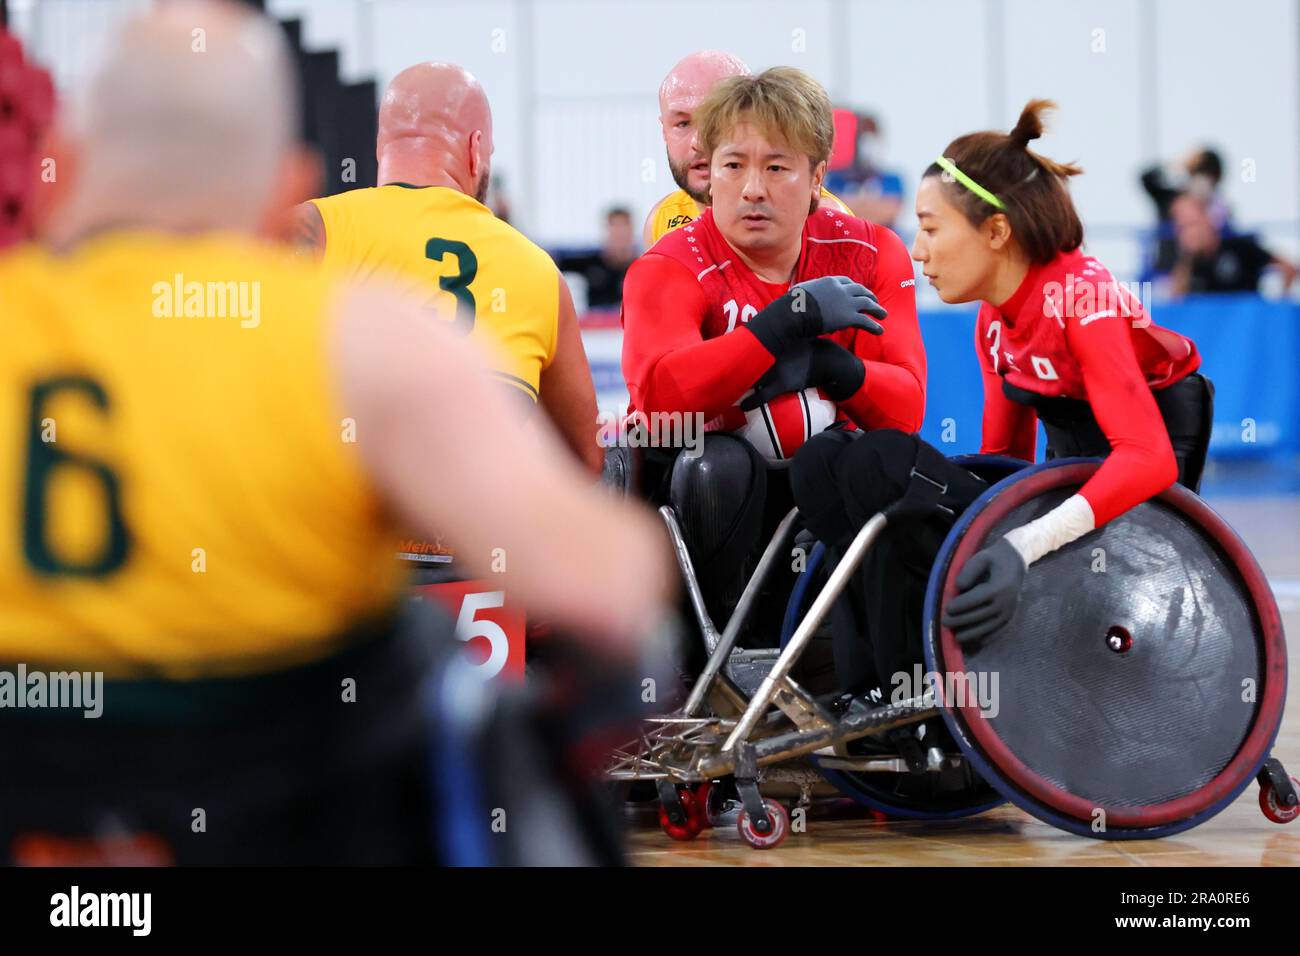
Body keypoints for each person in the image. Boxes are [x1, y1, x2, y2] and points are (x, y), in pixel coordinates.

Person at [2, 0, 673, 865]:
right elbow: (610, 584)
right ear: (287, 189)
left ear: (53, 169)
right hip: (275, 813)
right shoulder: (359, 334)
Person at [792, 100, 1211, 699]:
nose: (916, 251)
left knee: (882, 460)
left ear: (995, 230)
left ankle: (923, 693)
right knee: (827, 461)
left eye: (931, 228)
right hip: (1060, 512)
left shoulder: (1082, 298)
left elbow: (1150, 461)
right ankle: (881, 689)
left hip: (1130, 535)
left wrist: (1024, 543)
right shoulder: (994, 320)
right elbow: (1003, 470)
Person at [621, 66, 924, 638]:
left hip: (814, 478)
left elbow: (906, 412)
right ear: (709, 174)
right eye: (733, 166)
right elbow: (662, 403)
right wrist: (784, 324)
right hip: (699, 486)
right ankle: (710, 660)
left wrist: (831, 367)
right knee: (717, 465)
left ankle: (855, 660)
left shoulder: (869, 251)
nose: (752, 188)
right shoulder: (667, 264)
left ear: (817, 178)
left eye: (777, 167)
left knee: (871, 460)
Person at [293, 62, 602, 478]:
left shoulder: (308, 229)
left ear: (381, 148)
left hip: (339, 527)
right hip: (482, 530)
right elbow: (584, 460)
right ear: (476, 150)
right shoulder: (539, 270)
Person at [643, 50, 850, 247]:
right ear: (664, 131)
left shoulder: (826, 224)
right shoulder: (662, 219)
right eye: (682, 124)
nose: (698, 141)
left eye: (713, 121)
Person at [1168, 192, 1296, 295]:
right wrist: (1186, 258)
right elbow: (1176, 301)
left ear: (1208, 218)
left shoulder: (1238, 246)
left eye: (1193, 223)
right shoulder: (1188, 262)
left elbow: (1289, 268)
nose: (1190, 233)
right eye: (1182, 227)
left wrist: (1277, 308)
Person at [825, 112, 905, 229]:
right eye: (864, 142)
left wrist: (852, 205)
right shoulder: (834, 178)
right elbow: (830, 211)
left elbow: (891, 211)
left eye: (874, 142)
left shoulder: (892, 179)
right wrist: (872, 205)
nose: (869, 150)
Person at [553, 206, 639, 309]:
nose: (619, 234)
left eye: (623, 228)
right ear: (608, 232)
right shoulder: (592, 263)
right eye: (615, 228)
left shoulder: (644, 267)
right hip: (596, 324)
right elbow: (551, 261)